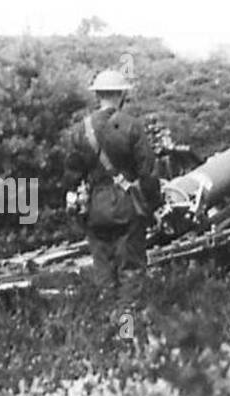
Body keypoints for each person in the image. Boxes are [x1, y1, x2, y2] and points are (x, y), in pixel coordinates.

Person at [63, 69, 156, 289]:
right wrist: (151, 205)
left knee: (103, 270)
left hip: (95, 208)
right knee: (131, 272)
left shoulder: (80, 130)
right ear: (122, 94)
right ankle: (128, 320)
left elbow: (72, 174)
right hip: (127, 206)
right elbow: (148, 172)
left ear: (97, 95)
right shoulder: (132, 126)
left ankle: (107, 318)